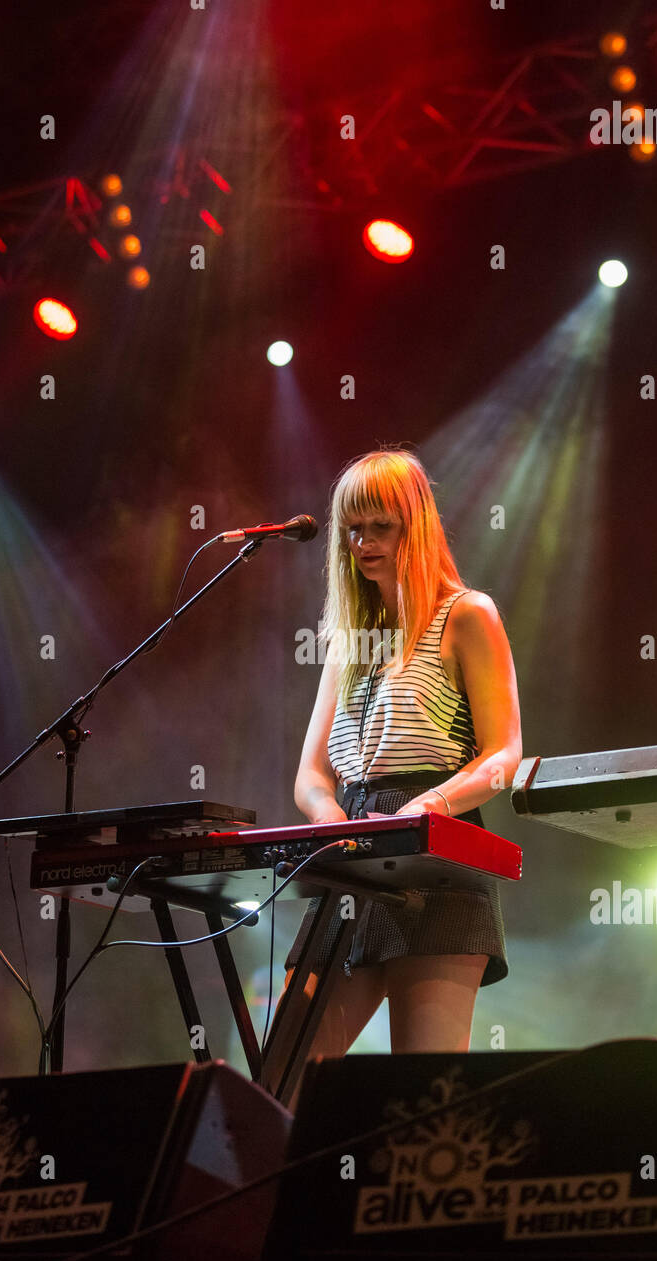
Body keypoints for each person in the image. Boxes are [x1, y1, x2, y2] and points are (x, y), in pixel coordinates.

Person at [279, 447, 522, 1112]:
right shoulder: (349, 638)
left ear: (414, 527)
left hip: (436, 855)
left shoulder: (467, 615)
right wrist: (334, 824)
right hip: (354, 854)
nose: (361, 543)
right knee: (282, 1083)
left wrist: (425, 808)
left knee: (424, 1103)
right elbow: (310, 775)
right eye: (351, 529)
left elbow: (503, 755)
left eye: (378, 526)